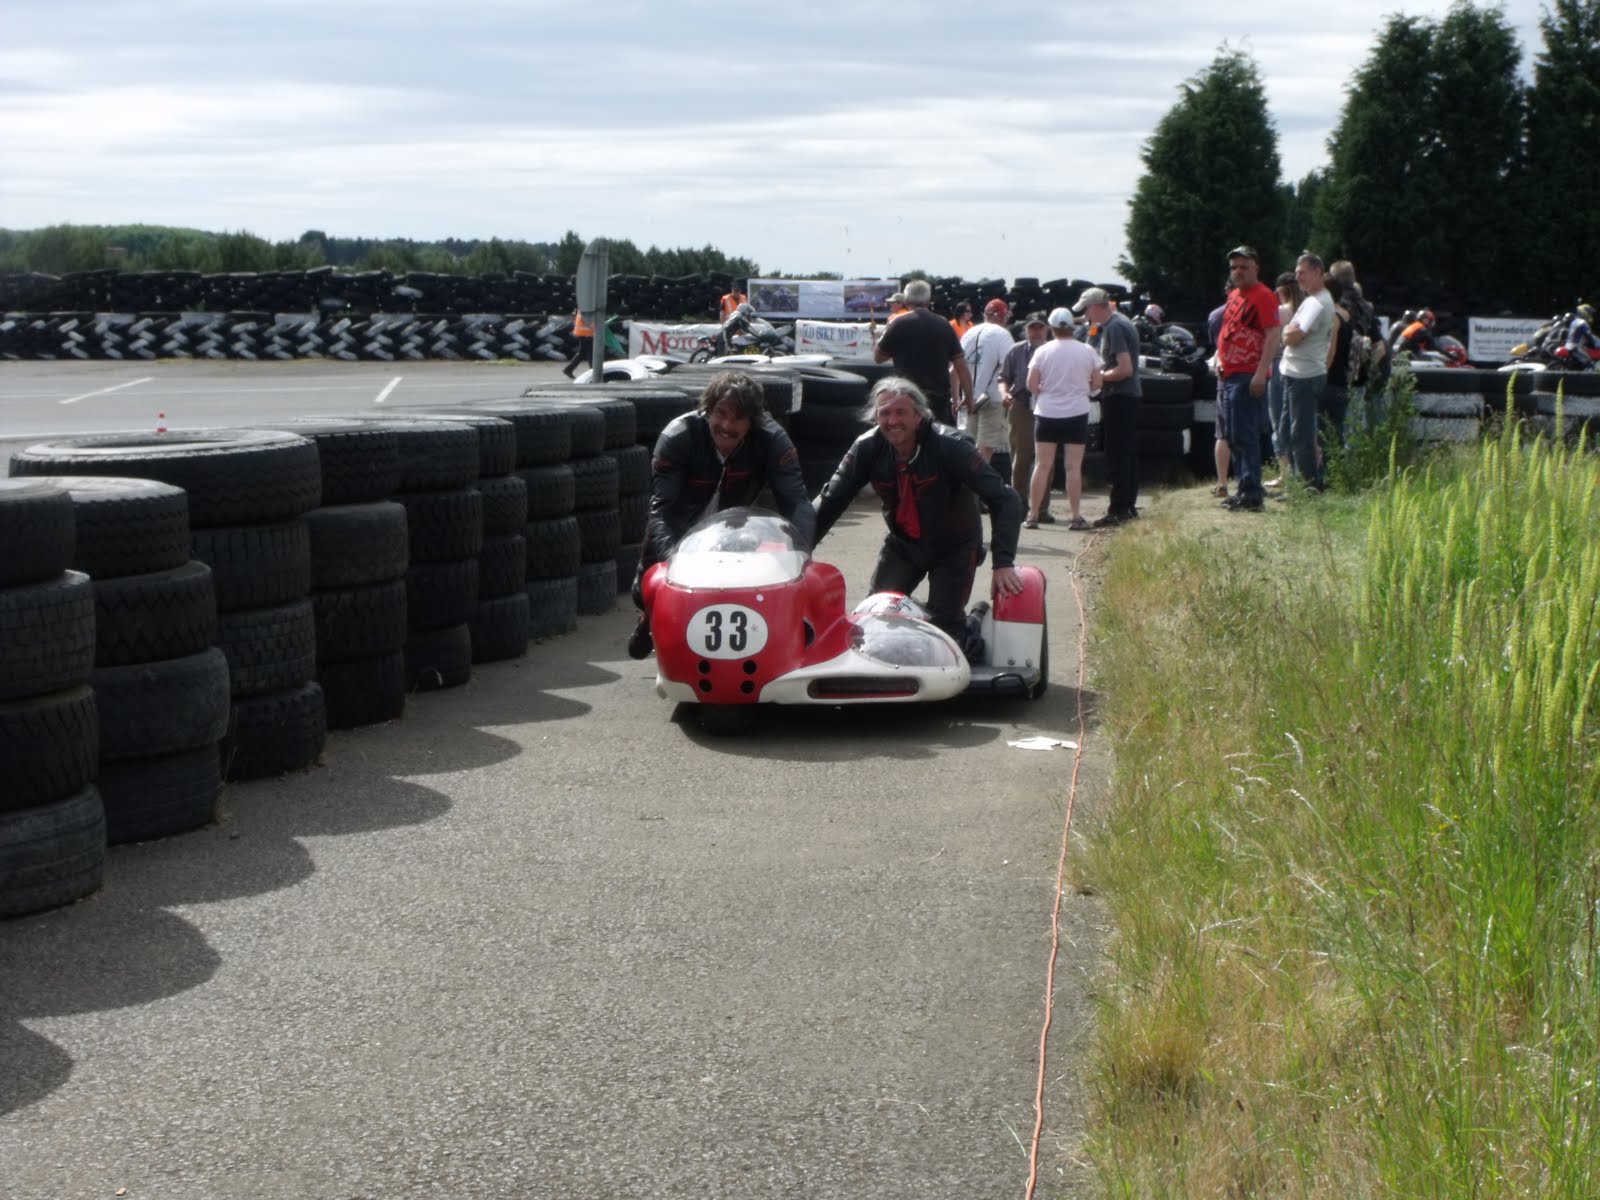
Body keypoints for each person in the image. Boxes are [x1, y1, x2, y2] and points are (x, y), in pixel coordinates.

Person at [812, 376, 1023, 650]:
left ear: (919, 415)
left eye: (901, 412)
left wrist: (1003, 562)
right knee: (872, 620)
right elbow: (830, 500)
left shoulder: (953, 446)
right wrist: (799, 550)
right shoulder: (866, 447)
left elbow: (1006, 499)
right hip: (904, 545)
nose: (892, 420)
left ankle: (972, 622)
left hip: (955, 546)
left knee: (947, 633)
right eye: (884, 413)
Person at [627, 371, 814, 659]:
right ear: (707, 410)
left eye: (738, 418)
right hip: (677, 529)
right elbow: (661, 510)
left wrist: (803, 558)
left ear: (752, 421)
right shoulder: (678, 436)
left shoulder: (774, 440)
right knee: (644, 591)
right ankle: (648, 619)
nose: (726, 426)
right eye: (720, 414)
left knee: (733, 591)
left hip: (734, 528)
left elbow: (798, 503)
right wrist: (673, 560)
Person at [1025, 307, 1103, 531]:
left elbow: (1031, 384)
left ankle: (1032, 515)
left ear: (1051, 328)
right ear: (1071, 327)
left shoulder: (1042, 351)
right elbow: (1097, 383)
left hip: (1047, 412)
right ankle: (1076, 516)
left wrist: (1046, 391)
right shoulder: (1087, 350)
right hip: (1076, 413)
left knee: (1042, 465)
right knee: (1072, 467)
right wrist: (1081, 388)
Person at [1216, 246, 1281, 512]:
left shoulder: (1264, 296)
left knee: (1246, 435)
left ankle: (1252, 493)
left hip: (1248, 374)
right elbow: (1227, 331)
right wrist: (1221, 359)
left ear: (1256, 268)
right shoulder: (1234, 295)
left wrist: (1261, 372)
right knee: (1233, 435)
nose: (1238, 272)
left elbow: (1273, 334)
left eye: (1244, 266)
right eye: (1234, 267)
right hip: (1230, 373)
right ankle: (1243, 488)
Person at [1074, 286, 1142, 526]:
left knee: (1117, 454)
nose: (1085, 316)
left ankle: (1119, 508)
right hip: (1126, 396)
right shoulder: (1120, 322)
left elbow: (1125, 369)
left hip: (1120, 396)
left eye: (1086, 310)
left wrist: (1098, 377)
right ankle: (1128, 505)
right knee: (1126, 453)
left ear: (1094, 307)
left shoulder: (1114, 328)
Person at [873, 279, 972, 426]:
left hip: (906, 397)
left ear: (906, 300)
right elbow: (961, 366)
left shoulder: (898, 323)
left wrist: (880, 338)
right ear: (929, 300)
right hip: (937, 398)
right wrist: (969, 398)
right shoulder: (944, 325)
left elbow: (878, 357)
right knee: (937, 443)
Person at [1280, 252, 1335, 489]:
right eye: (1296, 272)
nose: (1297, 277)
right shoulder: (1314, 299)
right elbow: (1290, 334)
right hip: (1297, 373)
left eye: (1302, 272)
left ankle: (1309, 486)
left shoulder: (1315, 303)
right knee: (1288, 433)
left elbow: (1291, 336)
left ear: (1317, 273)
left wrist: (1286, 332)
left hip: (1304, 375)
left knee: (1300, 436)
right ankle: (1300, 483)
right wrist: (1288, 332)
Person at [958, 298, 1016, 472]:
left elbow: (954, 369)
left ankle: (966, 488)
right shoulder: (1003, 334)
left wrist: (956, 398)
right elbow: (1010, 366)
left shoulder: (968, 333)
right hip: (992, 398)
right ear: (1002, 316)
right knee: (985, 448)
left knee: (968, 446)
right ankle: (977, 489)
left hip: (968, 397)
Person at [999, 311, 1050, 507]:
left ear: (1047, 330)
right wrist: (1004, 393)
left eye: (1040, 327)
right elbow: (1003, 377)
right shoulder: (1016, 351)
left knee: (1046, 458)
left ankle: (1042, 507)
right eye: (1032, 328)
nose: (1036, 332)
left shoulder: (1052, 350)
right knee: (1021, 455)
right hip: (1020, 403)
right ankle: (1018, 504)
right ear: (1025, 330)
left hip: (1047, 405)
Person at [1265, 271, 1303, 484]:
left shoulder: (1281, 311)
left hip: (1279, 364)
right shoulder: (1304, 310)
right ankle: (1296, 469)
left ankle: (1285, 472)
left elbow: (1271, 339)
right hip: (1298, 366)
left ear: (1280, 291)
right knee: (1294, 418)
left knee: (1277, 418)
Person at [1206, 294, 1231, 497]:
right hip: (1247, 374)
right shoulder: (1253, 311)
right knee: (1246, 432)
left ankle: (1222, 482)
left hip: (1225, 375)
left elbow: (1216, 347)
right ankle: (1247, 479)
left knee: (1222, 433)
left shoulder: (1216, 316)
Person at [563, 309, 594, 378]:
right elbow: (588, 321)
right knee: (591, 353)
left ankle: (569, 369)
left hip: (583, 332)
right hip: (587, 333)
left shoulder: (584, 306)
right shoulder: (588, 307)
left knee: (582, 353)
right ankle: (593, 372)